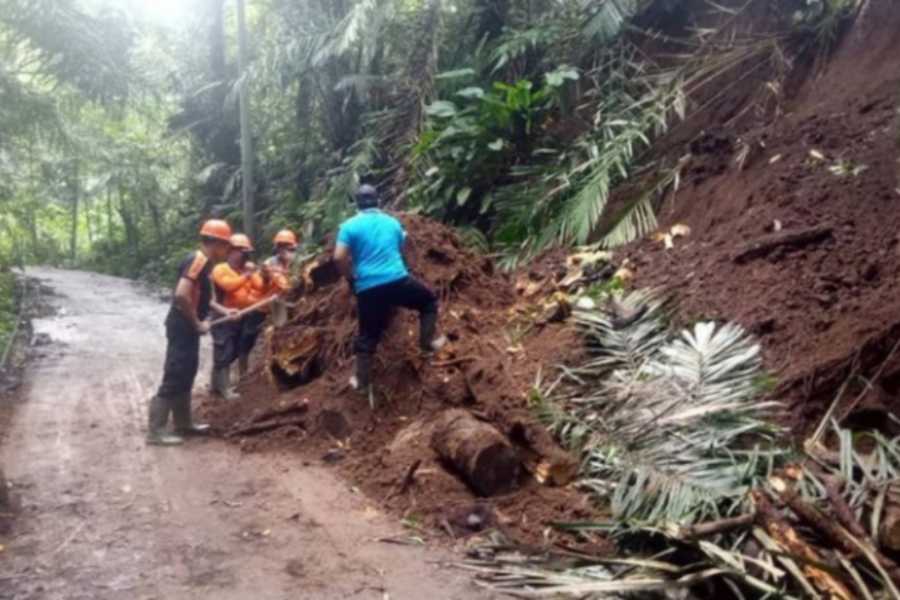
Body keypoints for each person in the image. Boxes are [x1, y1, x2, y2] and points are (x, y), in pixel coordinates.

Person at [333, 184, 446, 392]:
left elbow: (339, 257)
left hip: (367, 287)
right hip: (396, 280)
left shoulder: (348, 226)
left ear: (356, 203)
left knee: (367, 334)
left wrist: (350, 278)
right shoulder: (392, 222)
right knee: (428, 302)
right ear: (378, 200)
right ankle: (427, 345)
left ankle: (362, 382)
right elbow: (401, 245)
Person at [147, 219, 232, 446]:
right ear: (215, 243)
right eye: (225, 245)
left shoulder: (205, 265)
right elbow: (182, 295)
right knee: (176, 372)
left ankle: (184, 424)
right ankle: (155, 431)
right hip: (182, 326)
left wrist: (226, 310)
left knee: (187, 371)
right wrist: (196, 323)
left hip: (188, 327)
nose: (227, 251)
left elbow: (204, 298)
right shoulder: (198, 260)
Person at [238, 229, 298, 377]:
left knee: (284, 335)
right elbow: (279, 283)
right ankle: (242, 371)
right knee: (248, 336)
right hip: (263, 304)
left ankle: (280, 368)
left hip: (284, 305)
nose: (284, 249)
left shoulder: (297, 263)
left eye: (287, 246)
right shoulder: (270, 263)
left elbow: (296, 283)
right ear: (276, 247)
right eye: (281, 246)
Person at [209, 233, 258, 400]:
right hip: (222, 317)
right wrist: (246, 275)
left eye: (245, 253)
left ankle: (215, 385)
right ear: (231, 251)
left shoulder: (241, 271)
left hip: (238, 318)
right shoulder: (220, 269)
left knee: (231, 353)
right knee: (224, 351)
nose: (243, 255)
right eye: (240, 251)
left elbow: (253, 290)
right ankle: (224, 389)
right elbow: (229, 287)